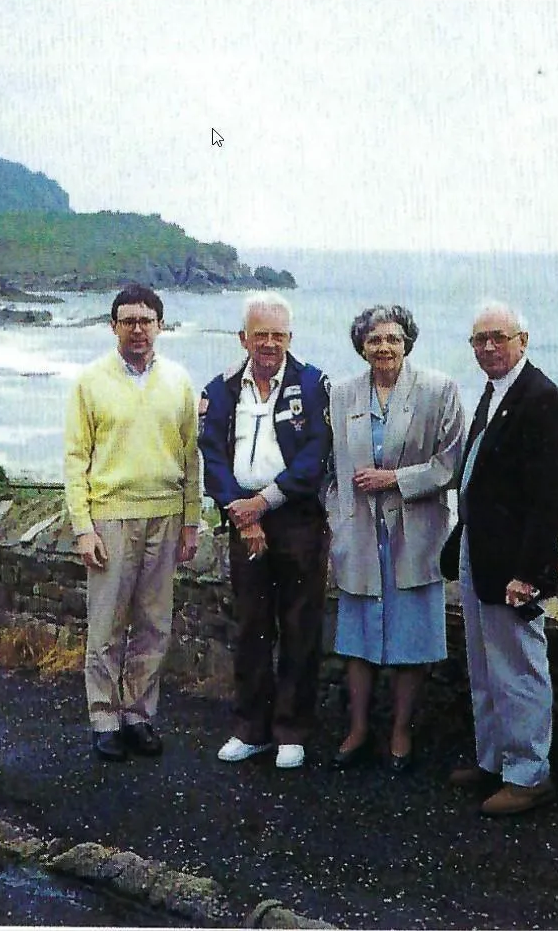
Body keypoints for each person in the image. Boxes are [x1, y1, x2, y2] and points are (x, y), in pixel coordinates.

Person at [440, 299, 558, 816]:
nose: (489, 347)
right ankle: (492, 759)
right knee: (483, 663)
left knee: (518, 666)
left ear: (523, 340)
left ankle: (528, 774)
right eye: (479, 340)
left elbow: (547, 499)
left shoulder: (542, 399)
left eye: (499, 337)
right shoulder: (497, 392)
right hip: (480, 547)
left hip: (512, 560)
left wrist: (530, 573)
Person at [64, 283, 200, 762]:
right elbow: (76, 457)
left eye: (146, 320)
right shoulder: (90, 381)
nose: (138, 329)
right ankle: (104, 719)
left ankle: (139, 716)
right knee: (106, 625)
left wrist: (191, 520)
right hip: (110, 518)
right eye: (128, 321)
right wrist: (83, 527)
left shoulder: (180, 381)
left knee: (153, 625)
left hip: (164, 514)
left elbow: (190, 457)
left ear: (160, 326)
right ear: (114, 326)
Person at [326, 305, 465, 773]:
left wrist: (394, 480)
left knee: (411, 639)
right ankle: (358, 728)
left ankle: (401, 731)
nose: (383, 347)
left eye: (393, 338)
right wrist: (337, 521)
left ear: (408, 341)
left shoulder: (439, 390)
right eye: (374, 340)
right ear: (360, 345)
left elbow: (451, 465)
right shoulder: (341, 394)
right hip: (361, 534)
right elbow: (330, 469)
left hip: (416, 533)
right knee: (358, 638)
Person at [198, 291, 331, 770]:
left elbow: (316, 456)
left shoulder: (314, 385)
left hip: (296, 518)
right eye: (261, 335)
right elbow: (211, 453)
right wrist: (241, 510)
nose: (270, 343)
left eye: (278, 335)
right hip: (242, 517)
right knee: (252, 625)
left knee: (300, 625)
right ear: (244, 338)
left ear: (290, 338)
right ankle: (251, 728)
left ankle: (292, 730)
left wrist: (262, 504)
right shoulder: (221, 389)